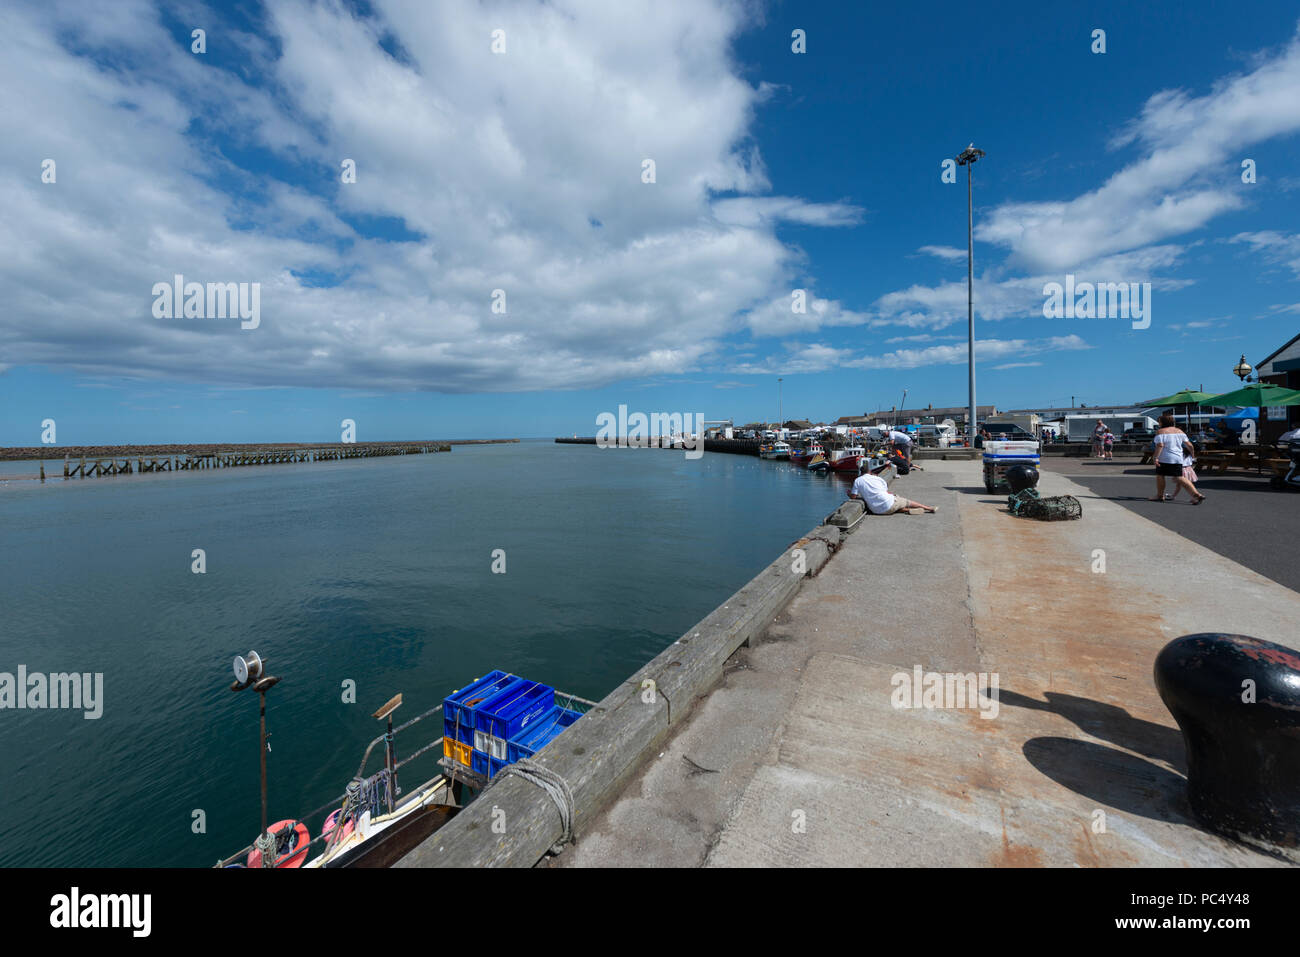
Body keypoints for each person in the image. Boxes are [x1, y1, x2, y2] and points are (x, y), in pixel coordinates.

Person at [1150, 413, 1205, 504]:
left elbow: (1160, 445)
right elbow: (1190, 445)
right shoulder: (1180, 431)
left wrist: (1156, 457)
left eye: (1159, 422)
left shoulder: (1161, 431)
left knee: (1160, 475)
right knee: (1179, 477)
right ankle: (1196, 494)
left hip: (1165, 458)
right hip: (1178, 458)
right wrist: (1192, 455)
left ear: (1163, 422)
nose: (1158, 423)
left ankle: (1160, 495)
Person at [848, 459, 936, 514]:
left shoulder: (857, 480)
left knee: (891, 507)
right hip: (889, 504)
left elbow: (854, 496)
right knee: (906, 501)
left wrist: (849, 494)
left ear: (861, 473)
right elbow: (885, 491)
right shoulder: (878, 478)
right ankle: (928, 508)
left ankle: (907, 510)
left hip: (877, 511)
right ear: (870, 472)